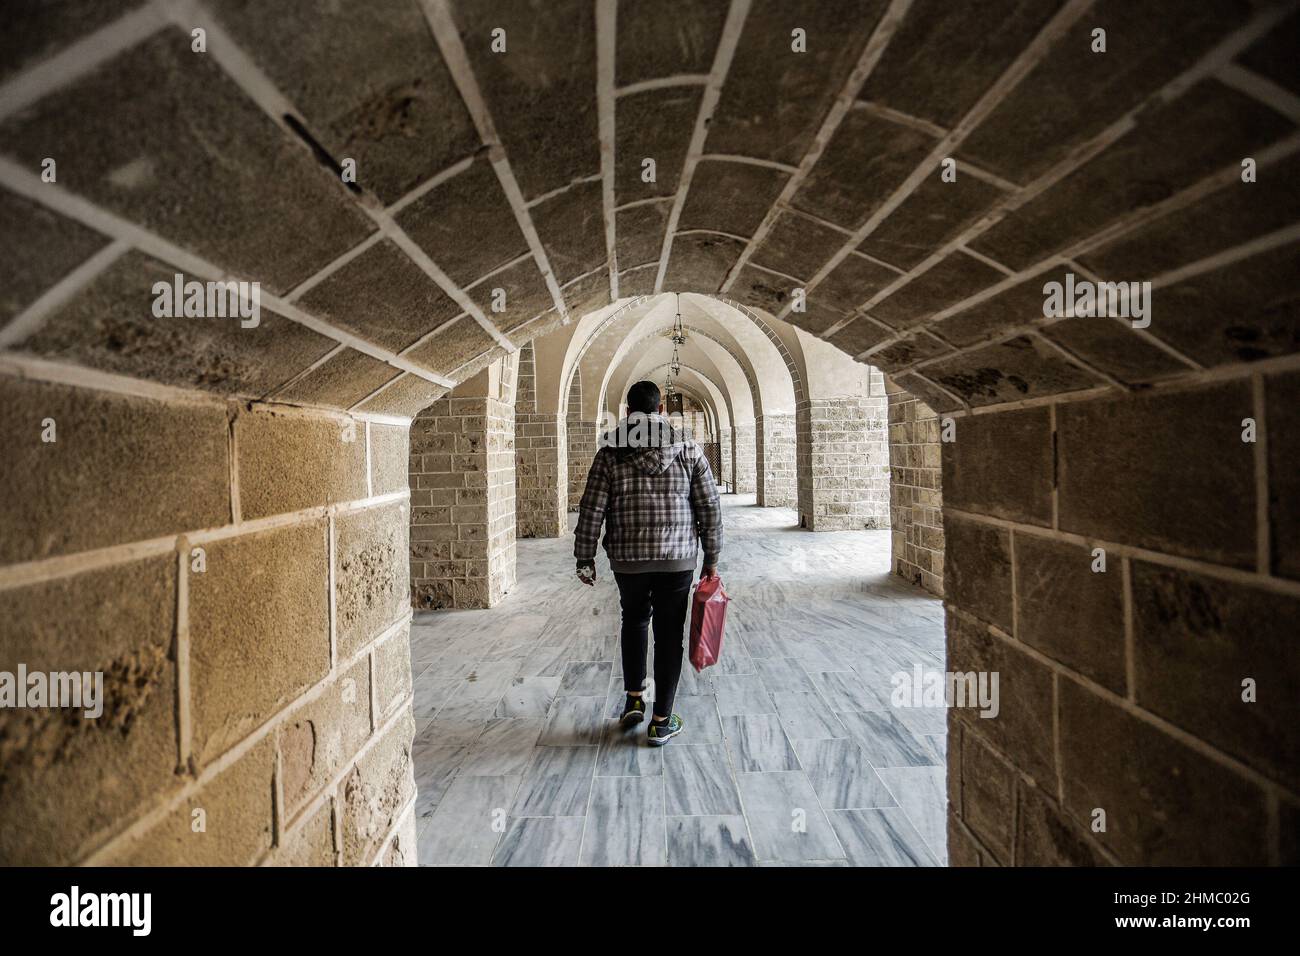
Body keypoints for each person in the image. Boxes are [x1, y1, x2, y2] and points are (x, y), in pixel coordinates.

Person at [574, 380, 722, 745]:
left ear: (628, 413)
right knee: (670, 634)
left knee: (635, 620)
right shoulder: (688, 449)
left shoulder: (610, 452)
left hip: (628, 560)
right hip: (677, 559)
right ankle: (661, 720)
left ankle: (634, 700)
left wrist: (585, 556)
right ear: (660, 412)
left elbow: (592, 507)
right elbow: (709, 507)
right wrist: (712, 557)